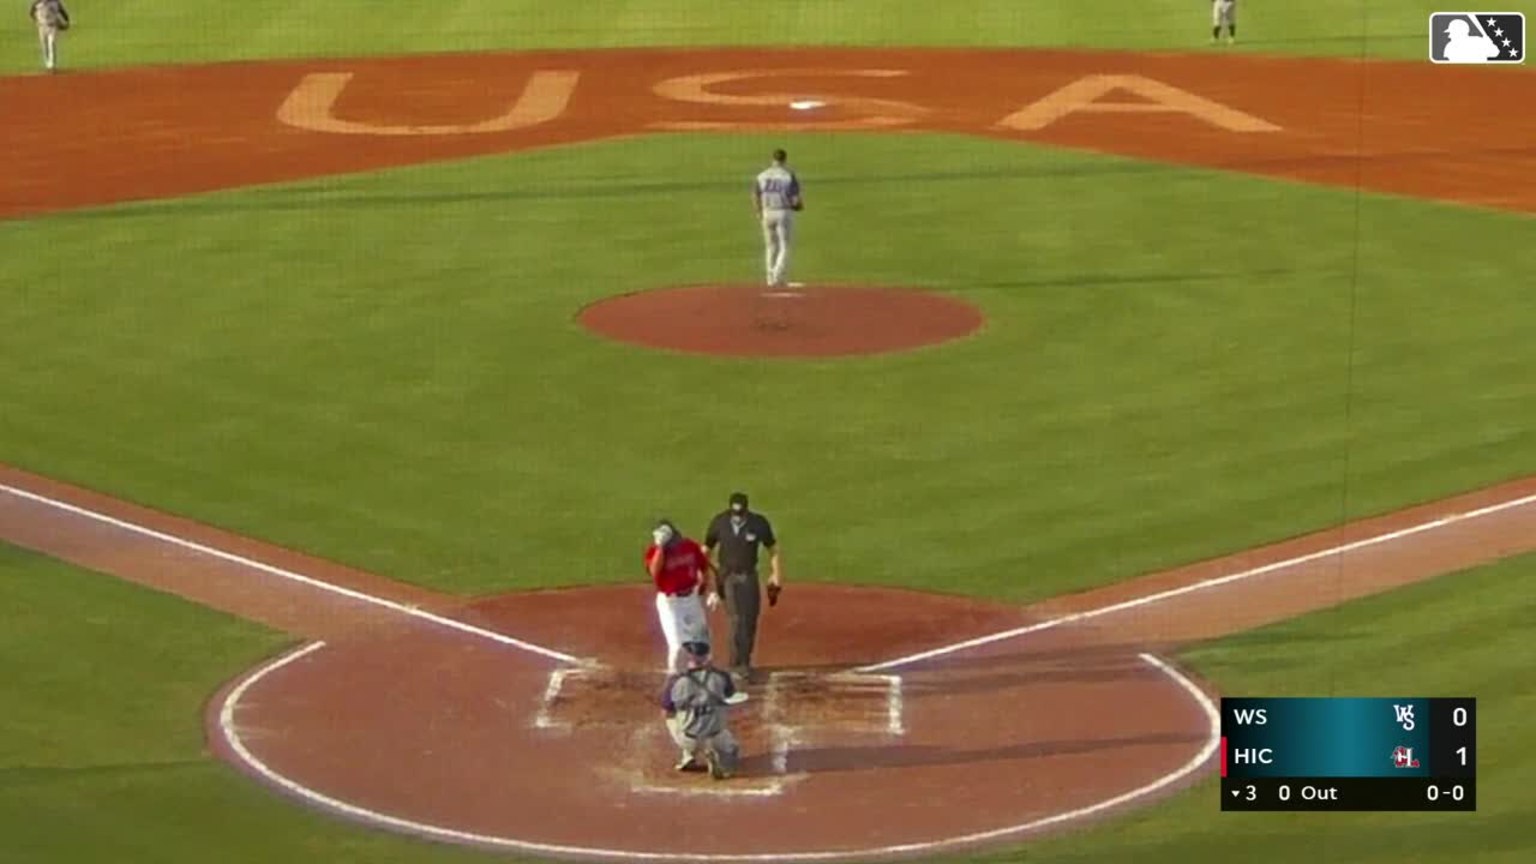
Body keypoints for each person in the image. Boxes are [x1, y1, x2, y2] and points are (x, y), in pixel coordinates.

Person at [703, 492, 781, 683]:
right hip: (727, 576)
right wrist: (708, 575)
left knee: (751, 619)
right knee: (737, 619)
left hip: (749, 576)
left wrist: (776, 574)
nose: (737, 517)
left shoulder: (758, 523)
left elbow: (773, 549)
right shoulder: (720, 522)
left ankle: (745, 661)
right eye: (734, 514)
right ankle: (735, 665)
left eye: (740, 513)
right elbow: (706, 548)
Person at [660, 640, 744, 779]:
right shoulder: (722, 676)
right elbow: (730, 694)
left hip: (689, 738)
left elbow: (666, 712)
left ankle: (688, 755)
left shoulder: (675, 681)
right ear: (708, 656)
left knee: (671, 719)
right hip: (716, 736)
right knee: (732, 748)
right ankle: (723, 763)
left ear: (688, 658)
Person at [645, 519, 718, 675]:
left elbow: (704, 568)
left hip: (691, 598)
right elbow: (654, 572)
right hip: (670, 603)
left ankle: (705, 678)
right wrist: (660, 547)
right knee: (677, 646)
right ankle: (674, 681)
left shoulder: (689, 547)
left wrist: (711, 591)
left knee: (703, 641)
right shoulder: (655, 552)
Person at [753, 148, 803, 288]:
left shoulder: (762, 175)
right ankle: (777, 274)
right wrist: (799, 206)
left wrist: (759, 212)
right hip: (783, 212)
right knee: (784, 246)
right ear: (784, 160)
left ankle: (770, 279)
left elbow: (756, 194)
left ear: (773, 159)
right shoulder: (788, 176)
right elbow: (795, 199)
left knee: (770, 246)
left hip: (766, 212)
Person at [29, 0, 70, 72]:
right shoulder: (38, 3)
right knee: (44, 46)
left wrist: (66, 20)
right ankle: (47, 64)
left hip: (53, 26)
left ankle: (52, 65)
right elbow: (31, 12)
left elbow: (62, 11)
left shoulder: (55, 2)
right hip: (42, 27)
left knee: (52, 43)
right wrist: (36, 20)